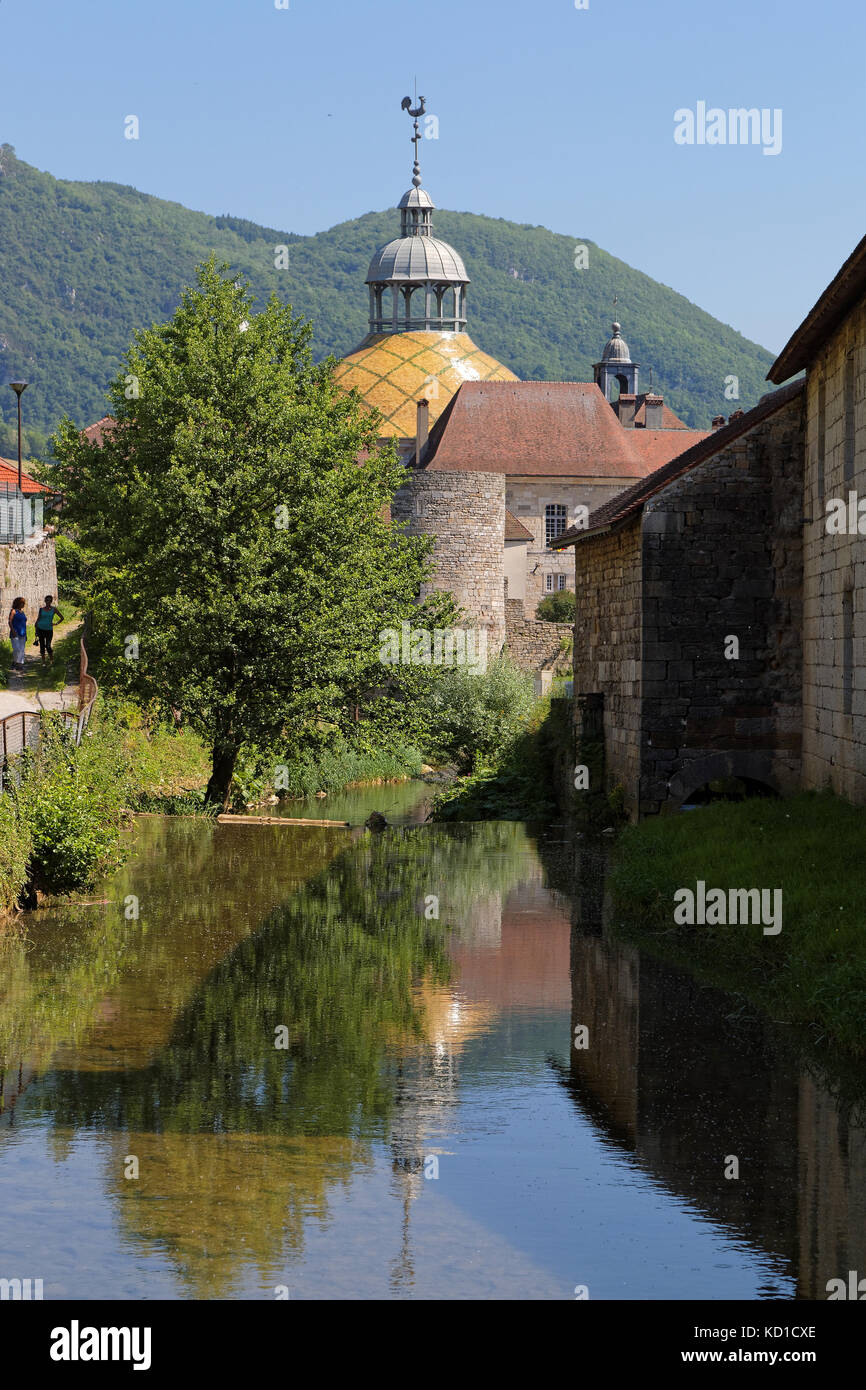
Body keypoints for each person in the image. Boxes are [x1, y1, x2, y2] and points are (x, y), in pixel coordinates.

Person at [35, 593, 64, 663]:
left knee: (48, 646)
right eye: (47, 600)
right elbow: (38, 619)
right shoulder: (41, 609)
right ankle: (43, 661)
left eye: (49, 600)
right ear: (45, 601)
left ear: (51, 601)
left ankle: (51, 660)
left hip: (49, 630)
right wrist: (36, 630)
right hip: (40, 629)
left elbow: (62, 618)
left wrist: (56, 623)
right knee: (42, 645)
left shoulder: (54, 609)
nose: (48, 602)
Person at [8, 597, 27, 671]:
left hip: (23, 633)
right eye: (22, 603)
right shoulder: (13, 611)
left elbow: (24, 623)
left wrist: (26, 634)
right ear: (18, 603)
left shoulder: (22, 612)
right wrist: (13, 631)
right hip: (15, 633)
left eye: (24, 603)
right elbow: (10, 622)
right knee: (16, 649)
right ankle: (15, 662)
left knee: (22, 650)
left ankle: (20, 665)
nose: (23, 605)